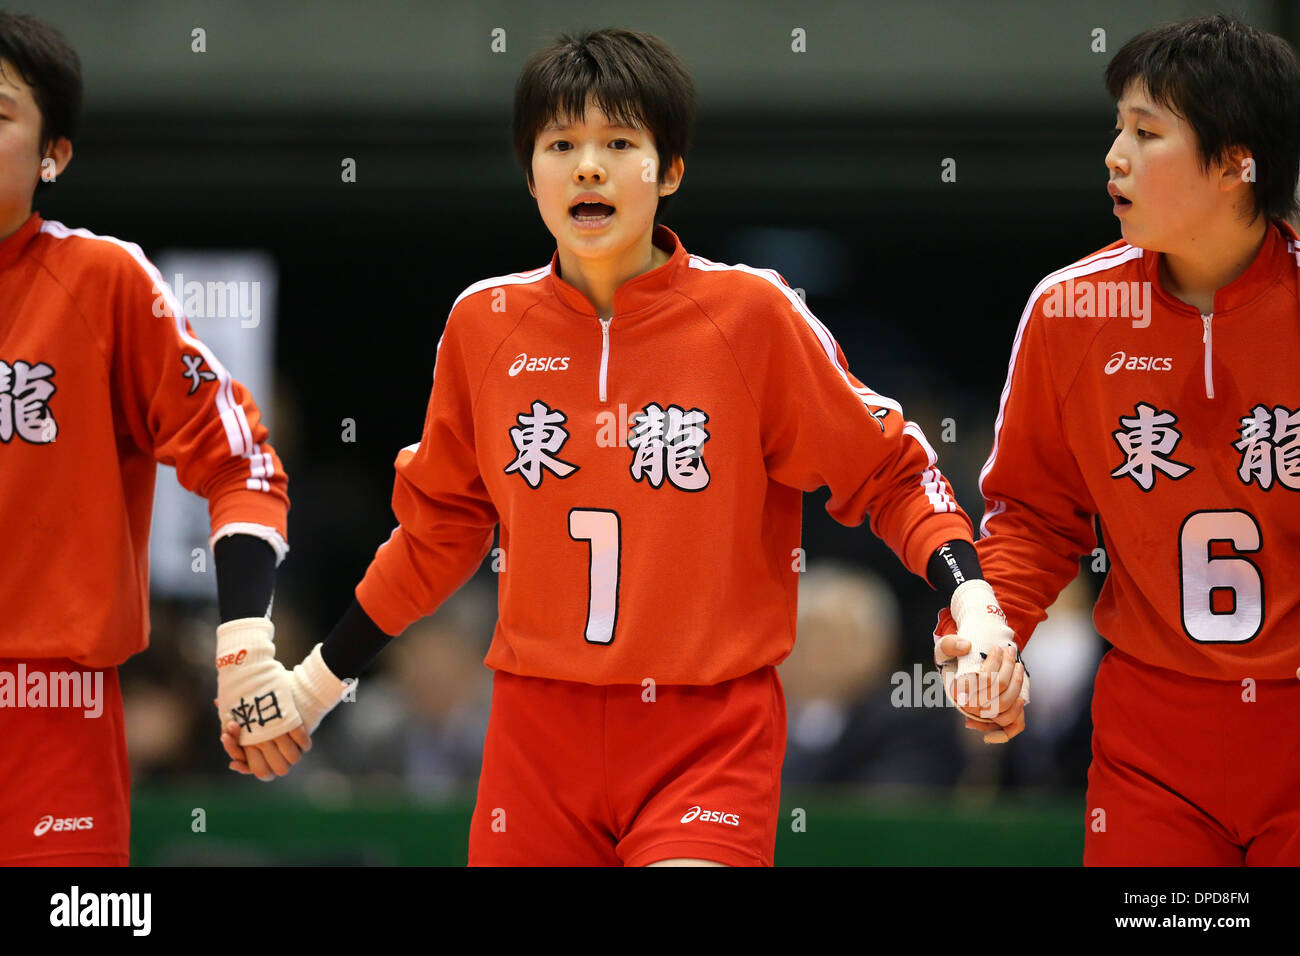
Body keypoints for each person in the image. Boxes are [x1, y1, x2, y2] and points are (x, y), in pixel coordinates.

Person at [227, 27, 1025, 866]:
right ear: (529, 173)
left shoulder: (751, 315)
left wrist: (970, 598)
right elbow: (437, 536)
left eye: (619, 143)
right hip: (536, 741)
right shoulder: (483, 323)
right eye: (560, 144)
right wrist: (310, 689)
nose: (588, 166)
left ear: (669, 170)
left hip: (707, 733)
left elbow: (891, 470)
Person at [936, 14, 1300, 865]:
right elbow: (1032, 515)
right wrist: (994, 636)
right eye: (1116, 129)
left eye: (1147, 132)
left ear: (1237, 162)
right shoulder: (1071, 311)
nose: (1115, 155)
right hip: (1151, 741)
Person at [0, 12, 318, 866]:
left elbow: (242, 460)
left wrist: (245, 642)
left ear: (51, 154)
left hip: (50, 718)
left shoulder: (102, 285)